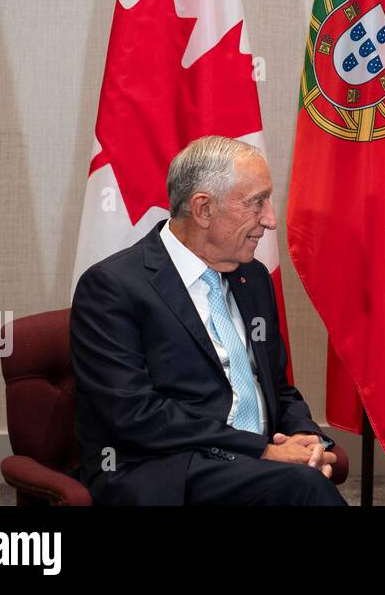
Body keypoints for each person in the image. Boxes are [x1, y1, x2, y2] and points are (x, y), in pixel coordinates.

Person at [71, 135, 345, 505]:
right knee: (304, 486)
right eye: (256, 202)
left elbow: (279, 388)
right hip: (165, 465)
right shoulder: (112, 287)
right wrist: (262, 452)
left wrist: (308, 439)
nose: (271, 220)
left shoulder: (254, 279)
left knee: (304, 475)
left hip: (250, 463)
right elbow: (135, 415)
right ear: (203, 210)